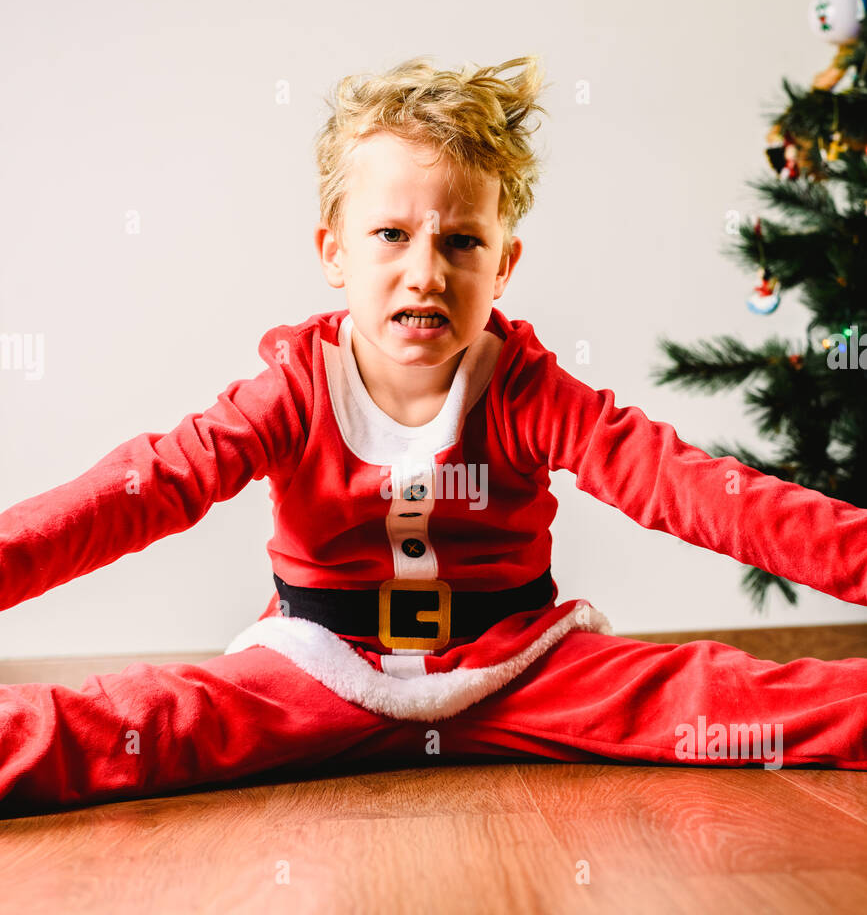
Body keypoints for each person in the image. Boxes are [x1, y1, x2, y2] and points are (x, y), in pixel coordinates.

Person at [2, 55, 866, 814]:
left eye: (461, 241)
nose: (426, 270)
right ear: (334, 251)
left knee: (721, 700)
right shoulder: (294, 391)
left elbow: (697, 493)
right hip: (314, 672)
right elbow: (140, 491)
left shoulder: (529, 391)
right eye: (390, 235)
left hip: (519, 672)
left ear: (503, 263)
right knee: (136, 724)